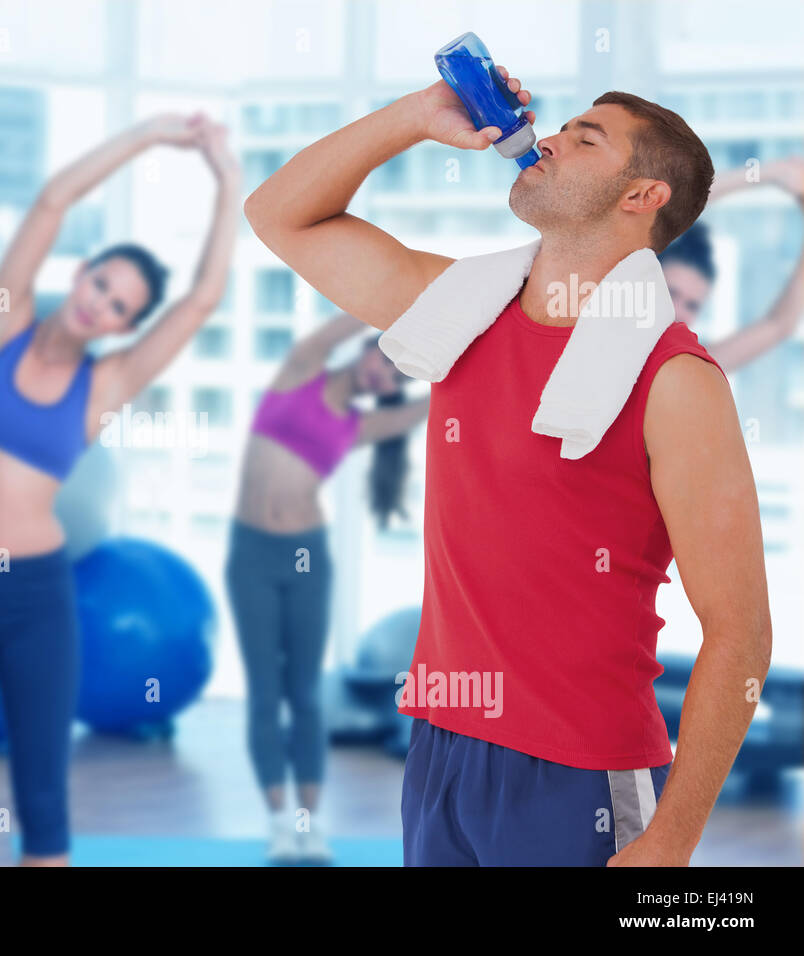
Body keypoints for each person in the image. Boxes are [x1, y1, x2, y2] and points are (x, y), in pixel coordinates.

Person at [245, 68, 771, 866]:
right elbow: (278, 215)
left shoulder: (677, 384)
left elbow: (741, 634)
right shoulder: (456, 313)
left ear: (642, 196)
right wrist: (417, 116)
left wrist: (670, 841)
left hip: (581, 774)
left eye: (586, 138)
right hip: (443, 747)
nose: (550, 138)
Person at [0, 113, 239, 867]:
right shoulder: (0, 324)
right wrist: (149, 137)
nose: (101, 304)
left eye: (120, 307)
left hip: (34, 602)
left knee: (43, 805)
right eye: (102, 283)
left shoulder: (104, 387)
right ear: (82, 272)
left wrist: (225, 179)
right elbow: (52, 200)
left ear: (123, 325)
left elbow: (200, 301)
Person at [227, 310, 427, 864]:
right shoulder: (300, 370)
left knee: (305, 694)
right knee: (265, 692)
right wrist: (398, 298)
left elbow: (435, 404)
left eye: (394, 378)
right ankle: (276, 825)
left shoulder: (358, 426)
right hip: (251, 556)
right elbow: (346, 318)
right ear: (366, 349)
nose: (382, 377)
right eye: (384, 360)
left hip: (306, 557)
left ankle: (308, 826)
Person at [660, 157, 804, 371]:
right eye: (671, 293)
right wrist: (770, 173)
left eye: (692, 305)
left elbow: (779, 325)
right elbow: (670, 209)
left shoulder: (687, 370)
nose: (677, 312)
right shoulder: (604, 316)